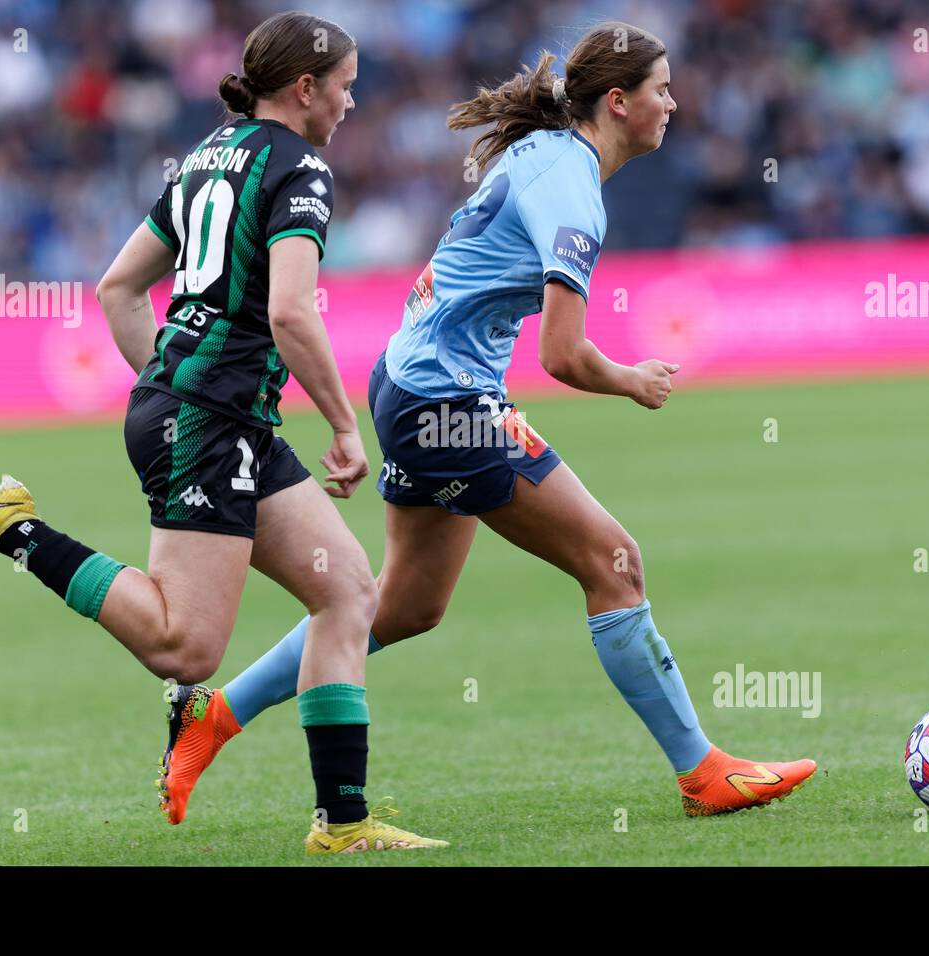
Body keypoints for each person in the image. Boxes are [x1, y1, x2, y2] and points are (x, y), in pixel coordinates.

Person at [155, 20, 817, 824]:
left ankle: (212, 715)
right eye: (661, 89)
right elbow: (565, 355)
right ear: (618, 101)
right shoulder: (572, 189)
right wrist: (631, 379)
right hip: (449, 404)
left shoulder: (546, 154)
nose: (673, 104)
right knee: (615, 564)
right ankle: (702, 772)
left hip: (408, 384)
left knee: (402, 605)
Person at [0, 11, 445, 854]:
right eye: (344, 84)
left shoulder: (204, 157)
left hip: (219, 417)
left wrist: (175, 380)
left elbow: (118, 289)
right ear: (305, 88)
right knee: (184, 649)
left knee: (346, 592)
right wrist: (342, 423)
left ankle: (344, 821)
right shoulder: (300, 168)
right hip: (208, 422)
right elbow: (292, 311)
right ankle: (11, 527)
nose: (352, 99)